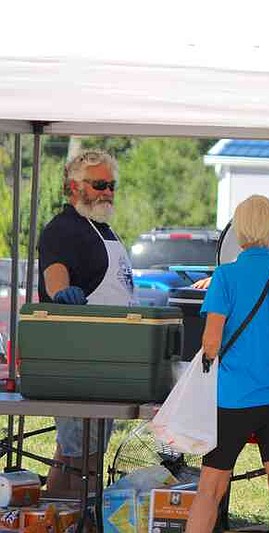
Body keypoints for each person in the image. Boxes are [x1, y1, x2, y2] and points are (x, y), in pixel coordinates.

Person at [186, 195, 269, 533]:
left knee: (210, 489)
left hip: (234, 396)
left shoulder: (225, 277)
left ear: (240, 230)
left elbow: (211, 343)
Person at [37, 149, 136, 496]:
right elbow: (55, 277)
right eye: (99, 185)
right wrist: (62, 293)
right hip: (78, 359)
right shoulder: (63, 230)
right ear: (73, 188)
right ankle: (82, 519)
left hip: (107, 361)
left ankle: (55, 518)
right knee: (84, 460)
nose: (107, 192)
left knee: (74, 453)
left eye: (111, 185)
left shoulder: (102, 229)